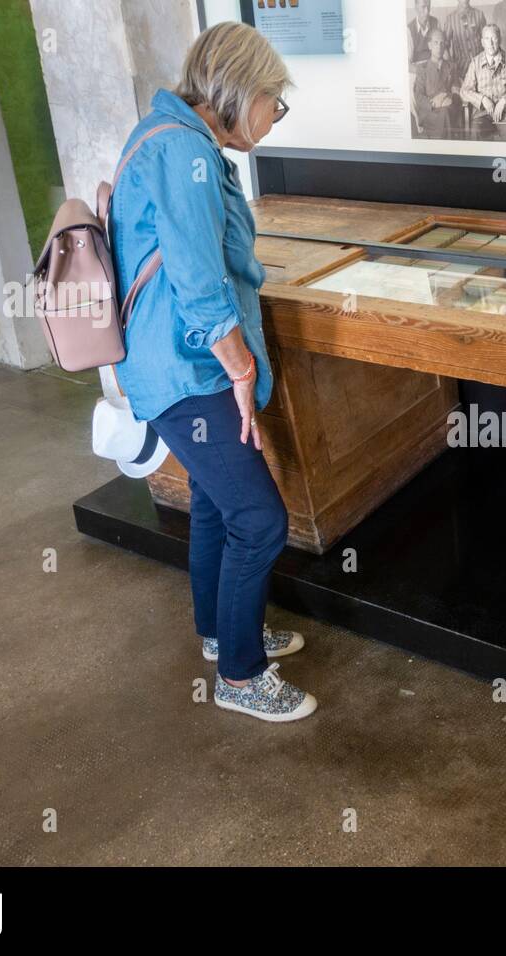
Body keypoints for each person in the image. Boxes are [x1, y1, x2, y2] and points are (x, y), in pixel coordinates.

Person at [110, 22, 316, 723]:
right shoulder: (183, 152)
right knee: (259, 520)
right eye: (274, 102)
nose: (273, 119)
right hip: (190, 368)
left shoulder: (170, 138)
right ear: (240, 89)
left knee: (214, 503)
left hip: (176, 360)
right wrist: (238, 368)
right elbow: (198, 282)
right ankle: (240, 674)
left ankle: (219, 633)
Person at [460, 23, 506, 141]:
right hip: (482, 114)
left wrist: (504, 101)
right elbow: (464, 91)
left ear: (499, 40)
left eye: (494, 38)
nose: (490, 43)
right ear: (482, 42)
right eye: (487, 39)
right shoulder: (475, 62)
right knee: (476, 133)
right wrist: (482, 99)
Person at [413, 28, 459, 138]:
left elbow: (457, 88)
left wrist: (447, 97)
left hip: (447, 107)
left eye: (442, 43)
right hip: (430, 112)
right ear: (429, 45)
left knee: (445, 113)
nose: (439, 47)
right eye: (436, 43)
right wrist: (433, 104)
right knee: (444, 116)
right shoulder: (422, 68)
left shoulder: (452, 67)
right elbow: (418, 95)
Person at [443, 0, 487, 86]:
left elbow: (486, 40)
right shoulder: (451, 18)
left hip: (480, 66)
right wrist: (451, 65)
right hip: (460, 69)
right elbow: (444, 46)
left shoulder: (479, 15)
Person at [407, 0, 439, 65]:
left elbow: (442, 51)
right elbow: (408, 63)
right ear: (416, 8)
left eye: (428, 7)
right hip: (417, 69)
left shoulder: (436, 22)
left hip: (434, 67)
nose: (427, 12)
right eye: (423, 7)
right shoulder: (409, 29)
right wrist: (422, 72)